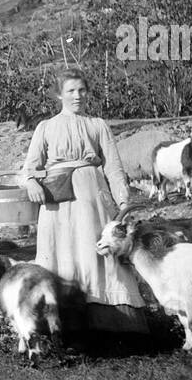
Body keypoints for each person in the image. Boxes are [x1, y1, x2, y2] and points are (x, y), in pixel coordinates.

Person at [20, 67, 148, 337]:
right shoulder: (46, 127)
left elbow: (113, 167)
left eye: (81, 90)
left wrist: (122, 202)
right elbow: (29, 168)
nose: (77, 96)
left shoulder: (97, 125)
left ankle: (110, 324)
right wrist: (31, 182)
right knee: (63, 254)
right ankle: (62, 326)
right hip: (59, 204)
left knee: (95, 253)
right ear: (59, 95)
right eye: (70, 91)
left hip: (92, 199)